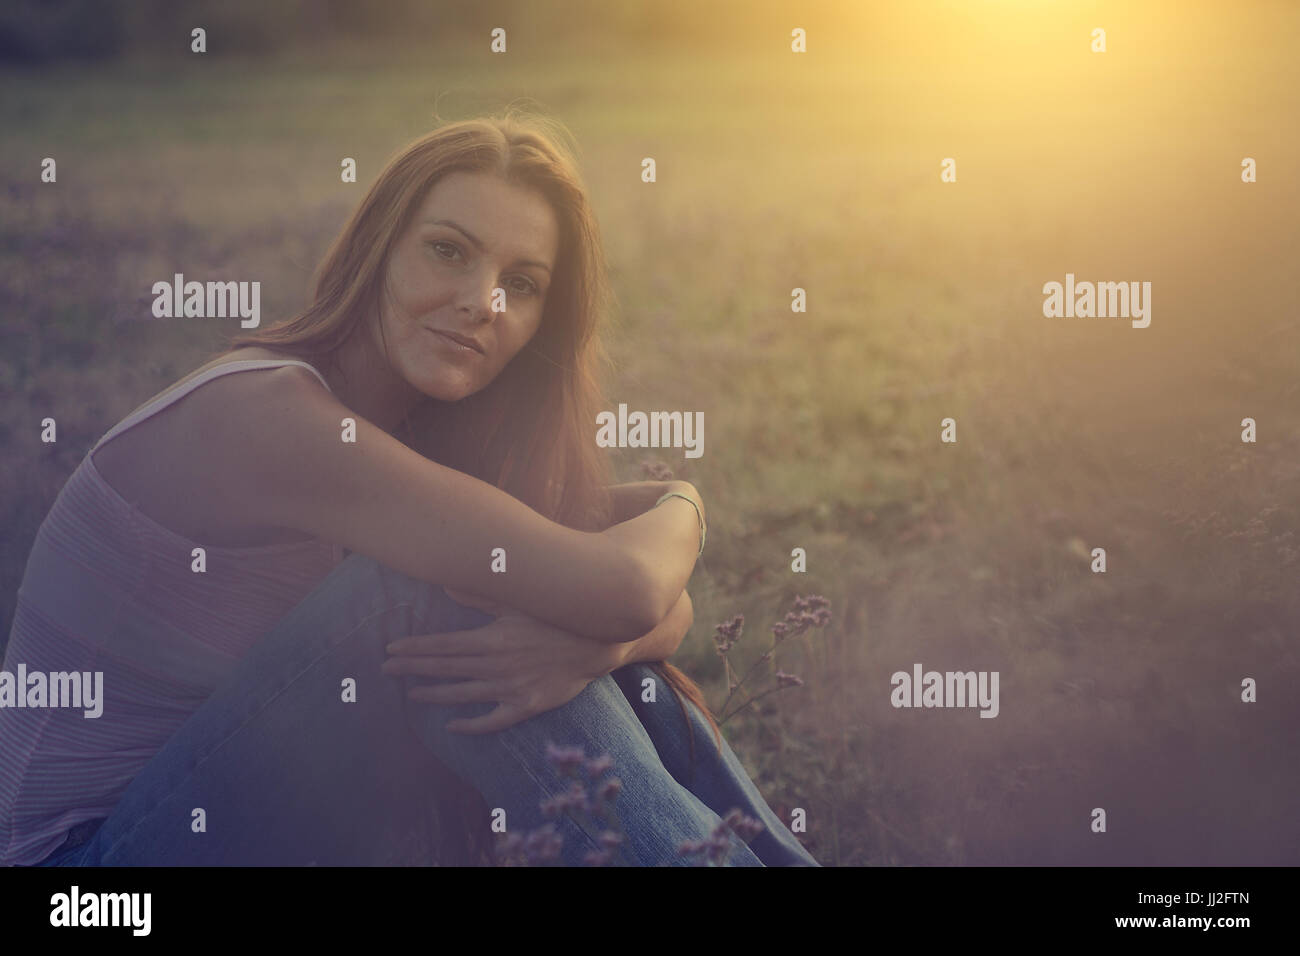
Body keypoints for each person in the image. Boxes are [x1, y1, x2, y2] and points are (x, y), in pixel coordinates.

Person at [0, 112, 819, 867]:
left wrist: (605, 627)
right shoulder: (271, 417)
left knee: (552, 641)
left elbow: (646, 609)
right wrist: (672, 526)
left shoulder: (413, 439)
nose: (480, 303)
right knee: (432, 603)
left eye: (523, 284)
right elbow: (632, 585)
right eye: (449, 251)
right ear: (378, 248)